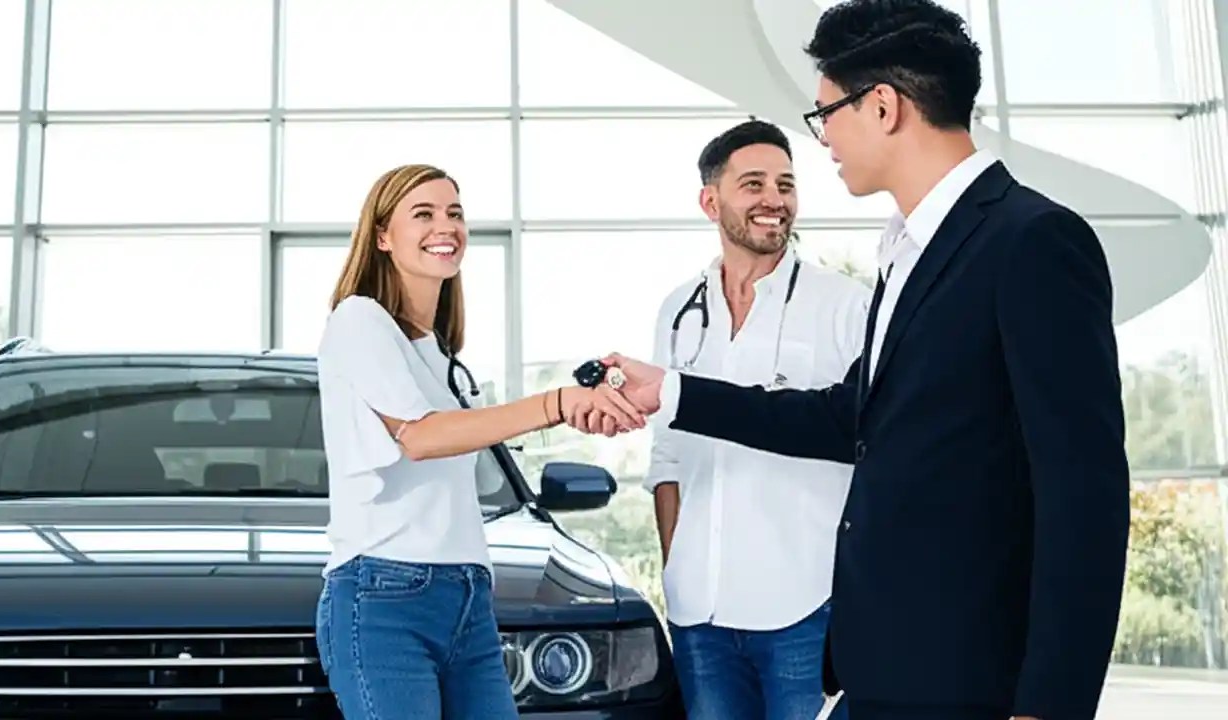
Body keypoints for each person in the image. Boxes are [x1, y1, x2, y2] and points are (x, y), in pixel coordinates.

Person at [575, 2, 1131, 720]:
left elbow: (1084, 495)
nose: (825, 139)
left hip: (970, 680)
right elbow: (851, 416)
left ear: (882, 106)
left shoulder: (1033, 241)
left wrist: (1049, 705)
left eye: (826, 114)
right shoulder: (906, 252)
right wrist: (673, 391)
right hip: (886, 667)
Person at [313, 163, 643, 720]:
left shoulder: (442, 358)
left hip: (466, 596)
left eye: (455, 213)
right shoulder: (358, 320)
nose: (446, 226)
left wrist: (580, 407)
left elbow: (458, 436)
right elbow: (419, 437)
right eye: (423, 214)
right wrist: (555, 403)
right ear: (382, 236)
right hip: (384, 595)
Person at [644, 119, 867, 720]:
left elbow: (865, 438)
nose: (775, 199)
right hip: (700, 614)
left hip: (804, 606)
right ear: (710, 201)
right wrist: (676, 565)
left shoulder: (845, 306)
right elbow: (666, 458)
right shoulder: (679, 311)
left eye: (786, 184)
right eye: (754, 184)